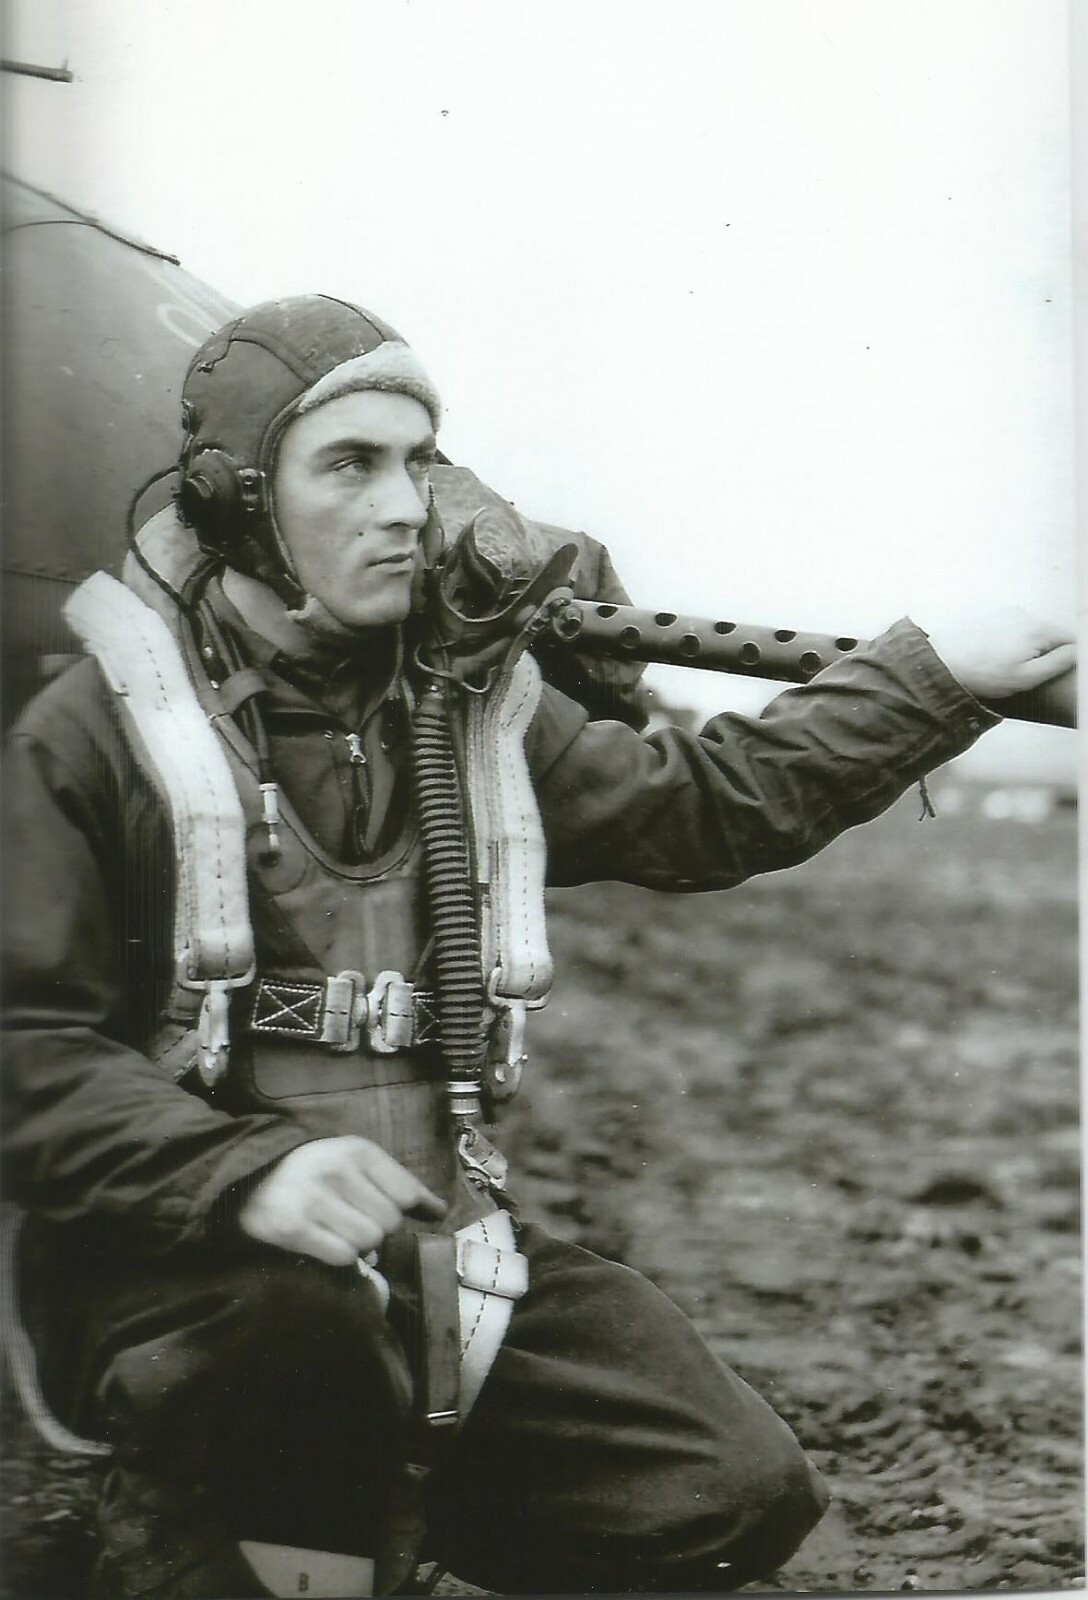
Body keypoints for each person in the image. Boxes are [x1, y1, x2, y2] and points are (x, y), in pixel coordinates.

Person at [2, 295, 1074, 1600]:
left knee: (728, 1489)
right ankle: (194, 1534)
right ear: (238, 501)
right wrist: (240, 1175)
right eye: (350, 464)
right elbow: (24, 1046)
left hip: (430, 1253)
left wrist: (936, 678)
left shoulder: (465, 709)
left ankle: (371, 1544)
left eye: (419, 460)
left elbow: (709, 805)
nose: (406, 505)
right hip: (175, 1274)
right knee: (302, 1340)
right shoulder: (99, 729)